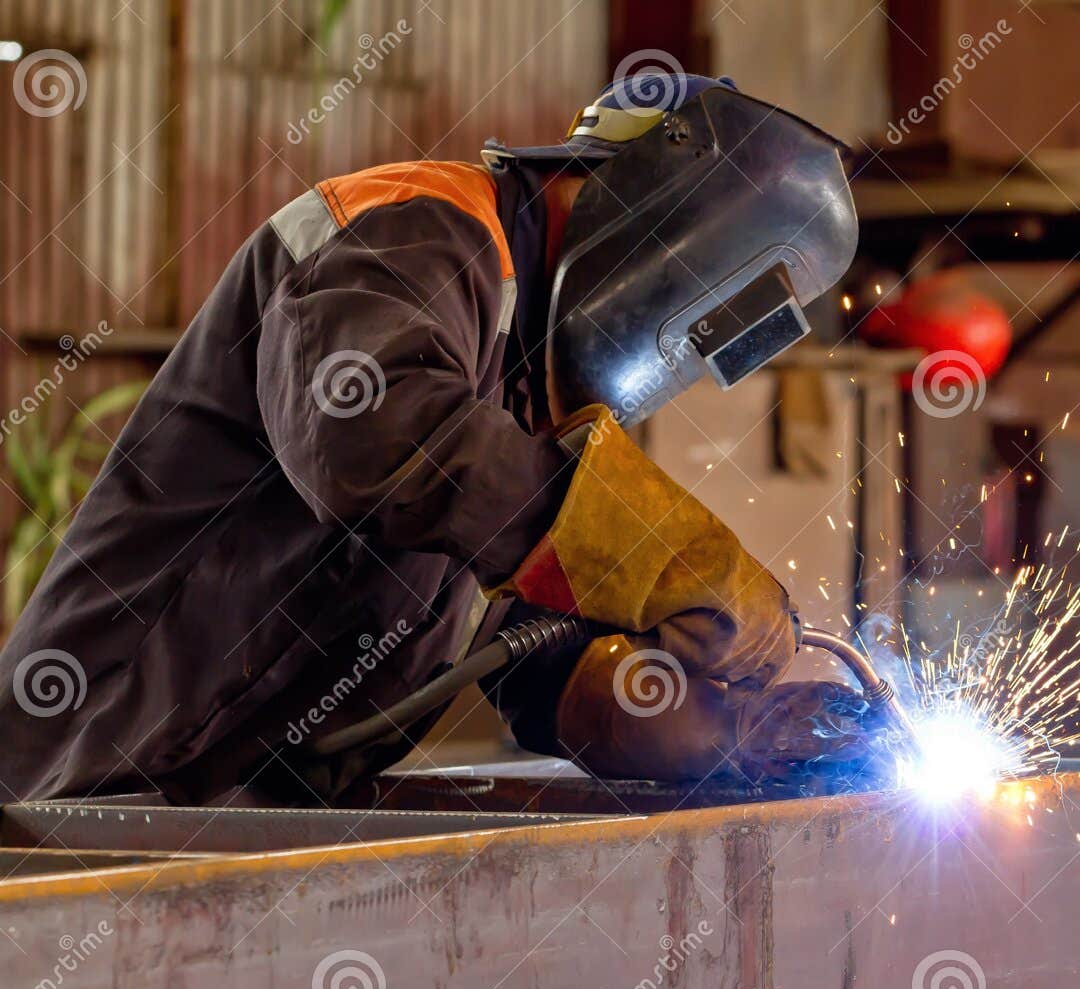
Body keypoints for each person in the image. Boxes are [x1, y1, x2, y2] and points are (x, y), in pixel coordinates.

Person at [0, 74, 871, 806]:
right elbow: (372, 434)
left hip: (234, 838)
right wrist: (659, 553)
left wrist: (726, 736)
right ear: (661, 214)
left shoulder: (532, 396)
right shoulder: (418, 228)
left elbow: (542, 664)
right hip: (70, 799)